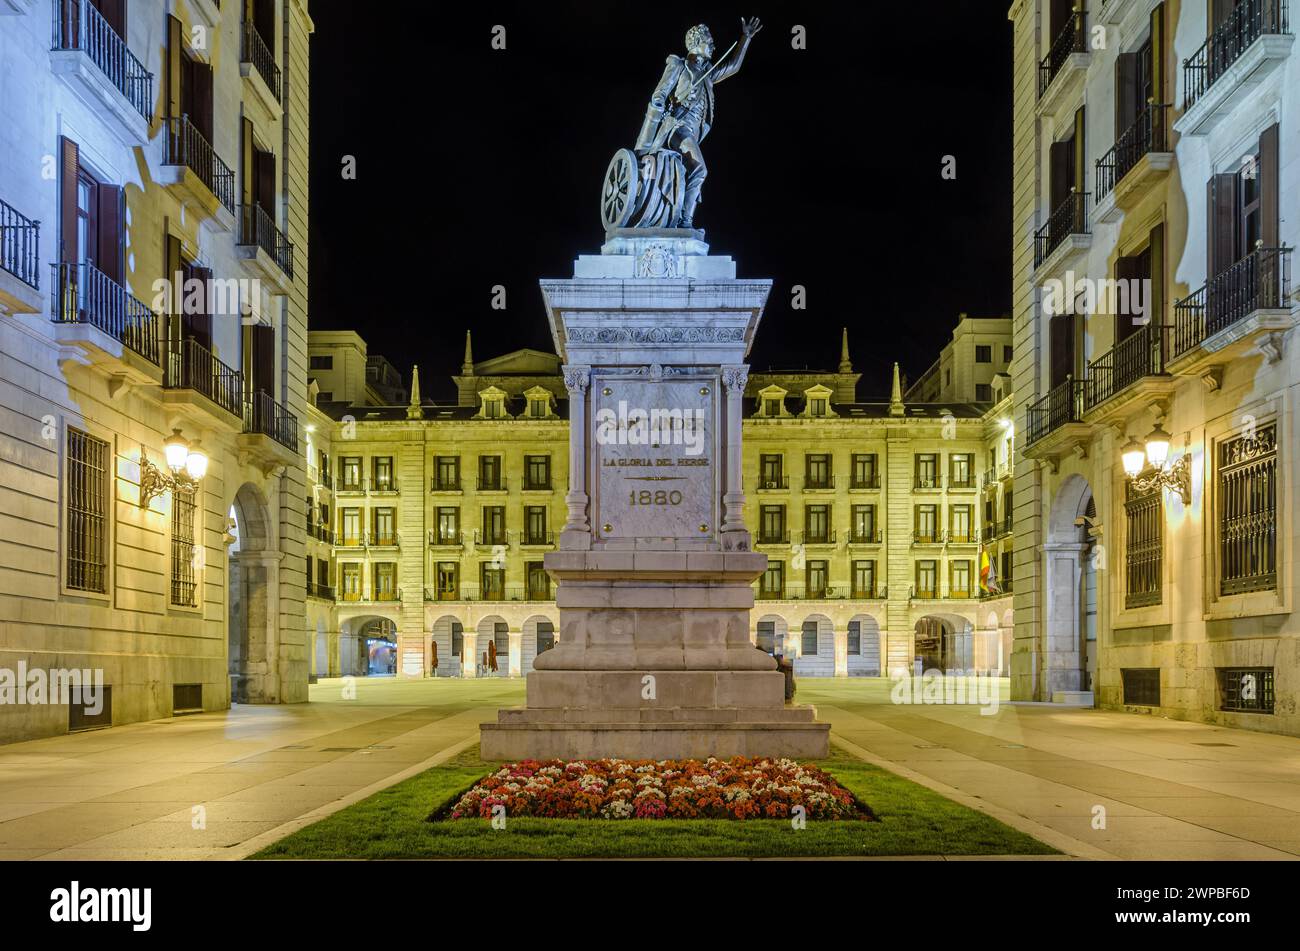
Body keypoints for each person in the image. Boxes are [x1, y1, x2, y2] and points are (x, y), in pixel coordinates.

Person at [634, 17, 762, 229]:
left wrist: (745, 38)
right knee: (699, 169)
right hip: (677, 128)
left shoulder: (708, 74)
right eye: (709, 41)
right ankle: (685, 222)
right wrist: (664, 104)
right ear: (695, 42)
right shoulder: (679, 65)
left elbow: (733, 67)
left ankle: (679, 218)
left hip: (692, 133)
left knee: (691, 172)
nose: (713, 45)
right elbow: (659, 94)